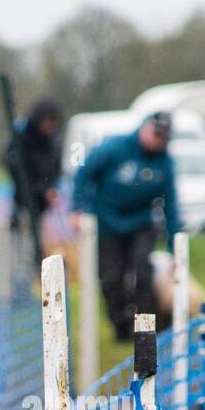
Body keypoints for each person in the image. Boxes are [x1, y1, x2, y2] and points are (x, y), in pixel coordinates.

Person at [71, 111, 182, 342]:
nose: (158, 140)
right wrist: (78, 208)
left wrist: (175, 247)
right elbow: (84, 174)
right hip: (107, 223)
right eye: (155, 134)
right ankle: (121, 327)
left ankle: (145, 329)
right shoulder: (114, 148)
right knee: (112, 278)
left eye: (164, 137)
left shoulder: (165, 163)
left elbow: (170, 206)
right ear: (144, 128)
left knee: (143, 272)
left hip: (141, 225)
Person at [4, 96, 63, 266]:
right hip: (23, 202)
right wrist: (41, 189)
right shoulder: (23, 137)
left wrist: (50, 189)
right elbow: (16, 169)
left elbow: (55, 169)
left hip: (41, 205)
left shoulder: (52, 142)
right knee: (23, 251)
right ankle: (22, 289)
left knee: (35, 249)